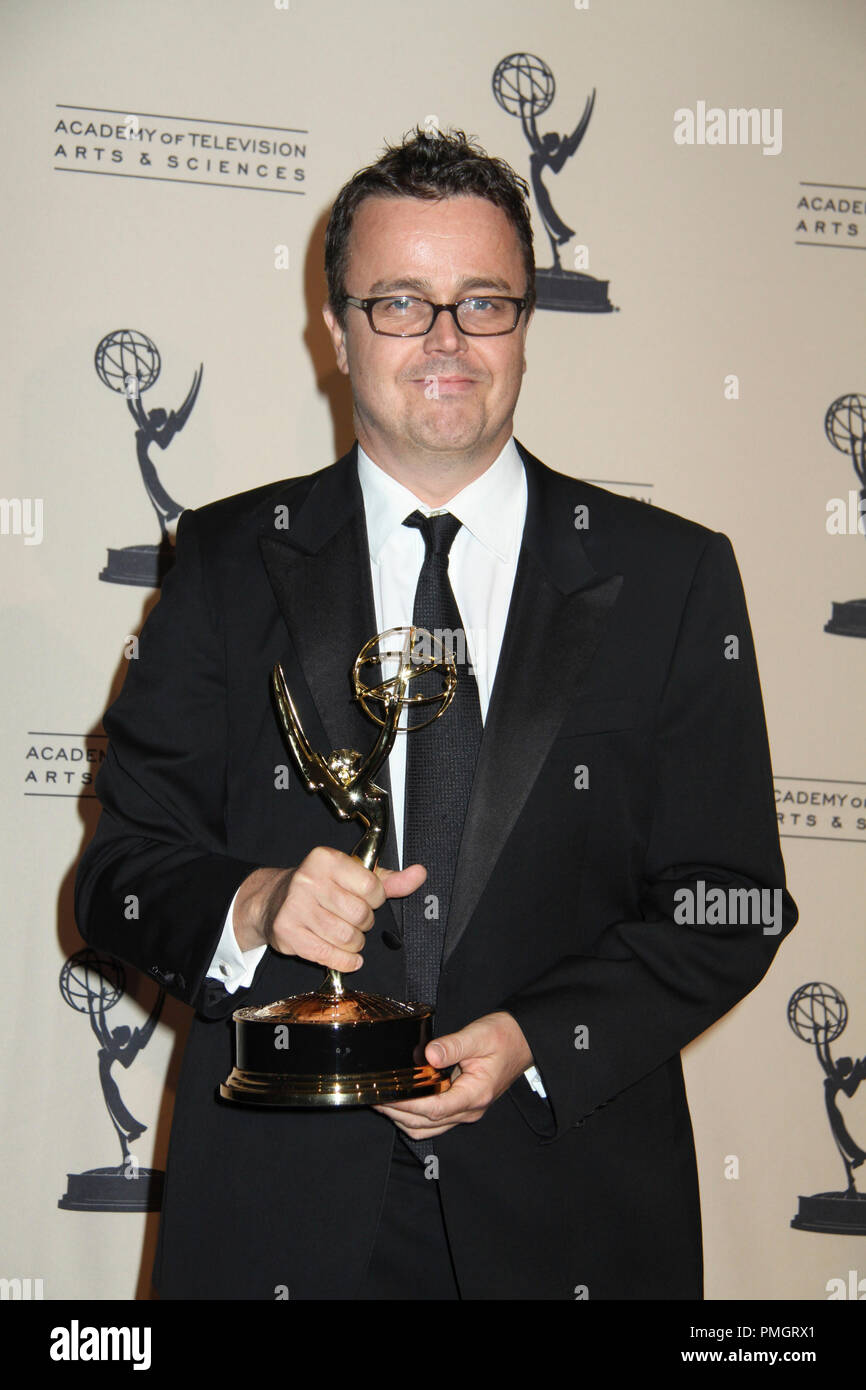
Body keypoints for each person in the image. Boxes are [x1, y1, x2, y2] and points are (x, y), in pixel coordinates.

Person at [75, 126, 797, 1300]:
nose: (446, 340)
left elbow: (731, 901)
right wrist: (253, 903)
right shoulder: (222, 561)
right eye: (401, 303)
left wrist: (533, 1041)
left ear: (524, 322)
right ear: (337, 330)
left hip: (570, 1218)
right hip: (277, 1224)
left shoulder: (671, 577)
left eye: (483, 303)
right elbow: (119, 878)